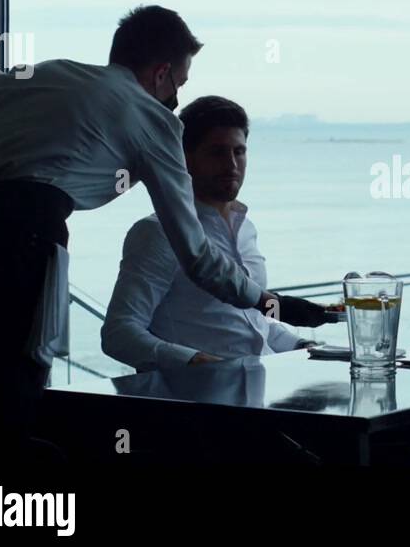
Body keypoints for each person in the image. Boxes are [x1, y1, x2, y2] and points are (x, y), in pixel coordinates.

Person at [0, 5, 326, 461]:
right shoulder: (154, 121)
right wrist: (270, 302)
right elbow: (195, 253)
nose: (175, 98)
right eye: (179, 84)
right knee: (11, 397)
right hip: (22, 252)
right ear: (161, 73)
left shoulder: (43, 73)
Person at [102, 95, 329, 371]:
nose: (232, 165)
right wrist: (193, 360)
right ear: (185, 159)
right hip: (197, 403)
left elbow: (251, 325)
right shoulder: (158, 233)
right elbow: (118, 333)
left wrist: (301, 346)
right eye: (217, 152)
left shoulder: (247, 229)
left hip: (260, 398)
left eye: (239, 151)